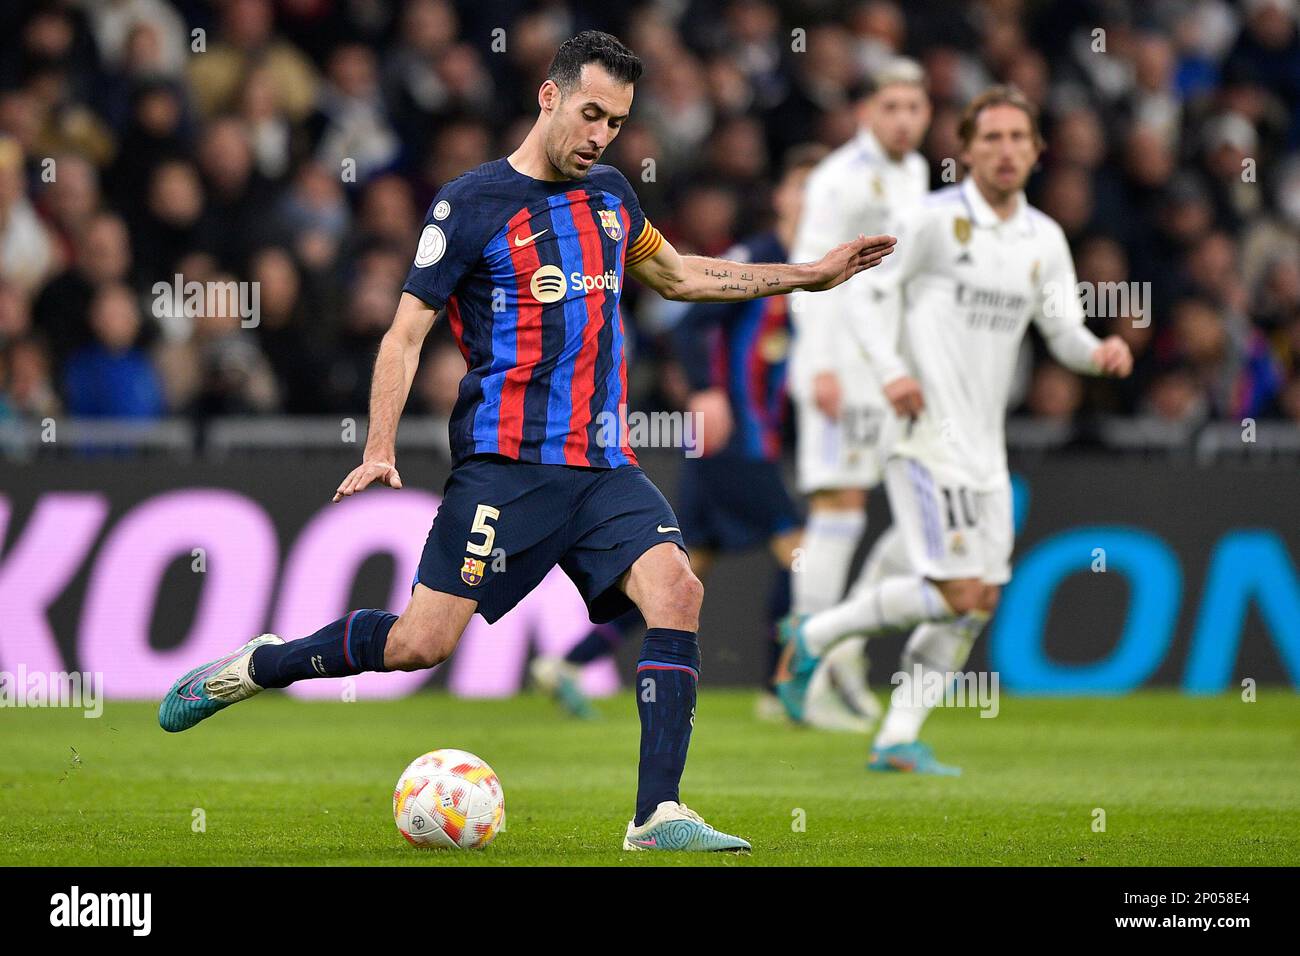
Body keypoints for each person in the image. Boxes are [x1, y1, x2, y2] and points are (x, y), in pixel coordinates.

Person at [157, 31, 895, 853]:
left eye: (615, 122)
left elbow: (679, 275)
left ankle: (657, 814)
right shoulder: (468, 205)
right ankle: (263, 664)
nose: (600, 136)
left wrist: (809, 276)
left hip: (603, 466)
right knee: (417, 645)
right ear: (548, 97)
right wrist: (379, 444)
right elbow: (404, 336)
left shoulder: (614, 197)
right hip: (506, 471)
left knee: (678, 591)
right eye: (588, 115)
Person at [777, 86, 1133, 775]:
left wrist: (1097, 352)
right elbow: (865, 294)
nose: (1004, 151)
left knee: (978, 601)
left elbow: (1061, 330)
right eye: (990, 138)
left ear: (1037, 153)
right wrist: (888, 374)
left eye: (1017, 139)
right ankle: (817, 633)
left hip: (985, 448)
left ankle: (895, 738)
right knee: (957, 590)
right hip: (921, 435)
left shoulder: (1044, 239)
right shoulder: (929, 222)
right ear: (965, 150)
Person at [530, 146, 824, 721]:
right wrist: (703, 392)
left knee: (676, 580)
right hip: (730, 440)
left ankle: (567, 662)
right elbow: (687, 322)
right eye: (803, 186)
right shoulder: (759, 256)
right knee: (801, 553)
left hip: (748, 439)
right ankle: (778, 685)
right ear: (782, 196)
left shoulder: (807, 266)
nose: (814, 199)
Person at [785, 58, 932, 730]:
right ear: (866, 112)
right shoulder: (838, 178)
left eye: (914, 106)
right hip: (839, 365)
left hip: (891, 367)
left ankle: (841, 645)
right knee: (835, 508)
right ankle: (804, 674)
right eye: (891, 105)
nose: (904, 118)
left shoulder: (917, 172)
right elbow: (811, 269)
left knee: (913, 509)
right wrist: (819, 364)